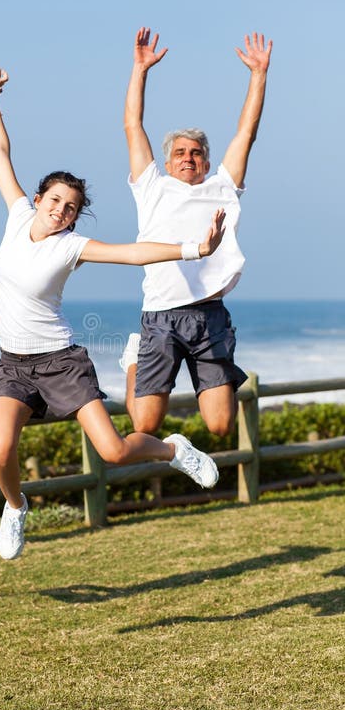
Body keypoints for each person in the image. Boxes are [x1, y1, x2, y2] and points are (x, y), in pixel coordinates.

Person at [0, 68, 225, 561]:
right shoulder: (15, 219)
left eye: (71, 207)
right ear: (38, 200)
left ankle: (172, 449)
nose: (61, 211)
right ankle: (15, 506)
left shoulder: (71, 246)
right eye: (54, 200)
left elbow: (134, 253)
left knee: (114, 451)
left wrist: (195, 248)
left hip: (61, 362)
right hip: (14, 365)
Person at [121, 27, 272, 438]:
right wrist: (140, 69)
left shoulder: (223, 185)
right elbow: (133, 126)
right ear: (169, 163)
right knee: (146, 425)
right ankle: (135, 357)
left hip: (210, 316)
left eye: (197, 153)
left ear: (206, 161)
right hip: (161, 315)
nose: (189, 158)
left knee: (221, 426)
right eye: (180, 153)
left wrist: (258, 75)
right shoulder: (152, 186)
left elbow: (247, 133)